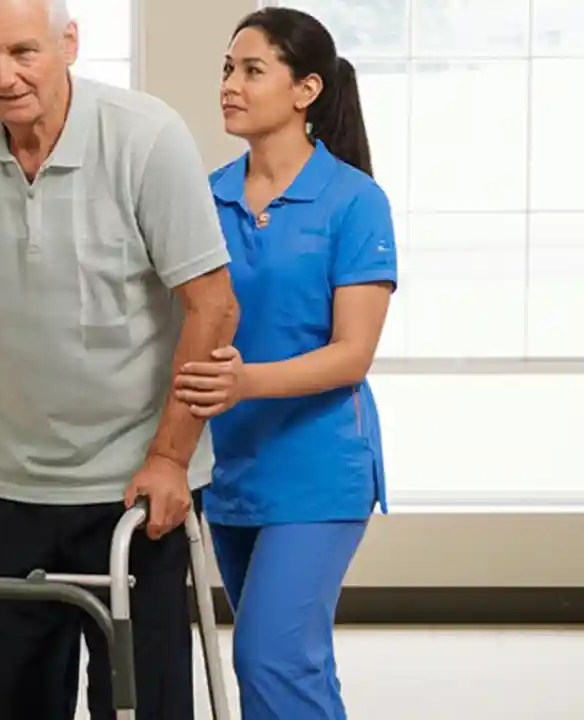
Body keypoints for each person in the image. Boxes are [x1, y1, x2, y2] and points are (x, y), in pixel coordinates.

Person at [0, 0, 239, 717]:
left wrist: (172, 459)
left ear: (70, 43)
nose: (3, 76)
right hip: (5, 484)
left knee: (139, 705)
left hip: (134, 486)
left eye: (24, 52)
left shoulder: (145, 137)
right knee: (8, 707)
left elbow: (213, 306)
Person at [171, 7, 397, 720]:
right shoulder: (204, 197)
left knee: (267, 656)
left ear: (306, 90)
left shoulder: (355, 201)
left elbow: (352, 353)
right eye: (227, 70)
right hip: (231, 470)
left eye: (251, 69)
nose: (230, 85)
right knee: (295, 662)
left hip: (321, 468)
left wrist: (244, 383)